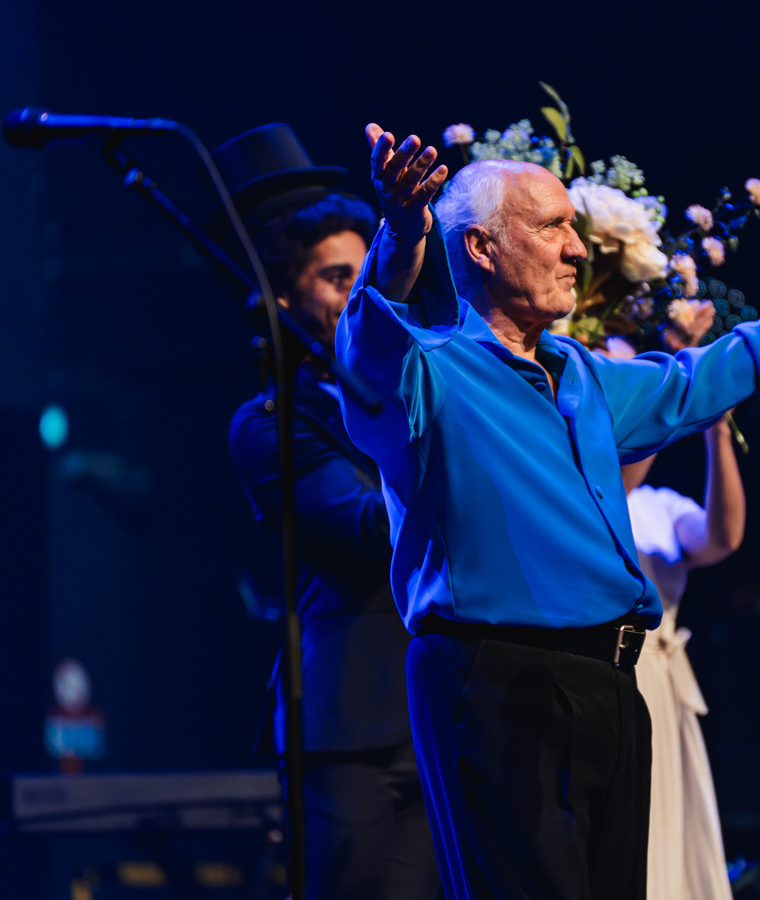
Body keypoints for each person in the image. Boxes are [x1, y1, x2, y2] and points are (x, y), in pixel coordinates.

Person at [333, 122, 760, 900]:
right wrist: (403, 229)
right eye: (552, 229)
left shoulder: (579, 372)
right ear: (480, 248)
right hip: (496, 679)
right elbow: (366, 349)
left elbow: (703, 378)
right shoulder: (426, 371)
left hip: (611, 682)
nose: (577, 250)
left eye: (576, 231)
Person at [218, 124, 442, 900]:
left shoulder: (411, 390)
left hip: (434, 715)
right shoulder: (269, 421)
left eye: (367, 278)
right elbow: (366, 529)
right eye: (337, 277)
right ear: (286, 296)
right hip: (348, 722)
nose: (357, 296)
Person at [603, 314, 743, 900]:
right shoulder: (595, 501)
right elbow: (620, 474)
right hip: (614, 673)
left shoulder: (660, 505)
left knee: (674, 828)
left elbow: (723, 537)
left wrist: (713, 422)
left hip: (664, 679)